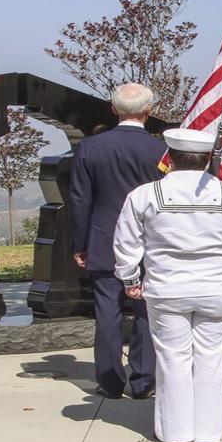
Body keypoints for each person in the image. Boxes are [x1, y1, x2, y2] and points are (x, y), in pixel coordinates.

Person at [113, 128, 222, 442]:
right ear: (208, 158)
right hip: (216, 288)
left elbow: (126, 242)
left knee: (172, 359)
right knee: (211, 359)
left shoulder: (145, 194)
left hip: (166, 288)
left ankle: (175, 430)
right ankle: (208, 431)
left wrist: (130, 278)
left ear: (170, 158)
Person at [69, 83, 164, 400]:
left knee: (106, 312)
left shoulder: (91, 148)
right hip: (150, 240)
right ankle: (143, 381)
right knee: (146, 312)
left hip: (105, 239)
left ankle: (110, 382)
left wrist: (79, 243)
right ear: (148, 112)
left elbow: (80, 200)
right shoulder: (160, 151)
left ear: (113, 109)